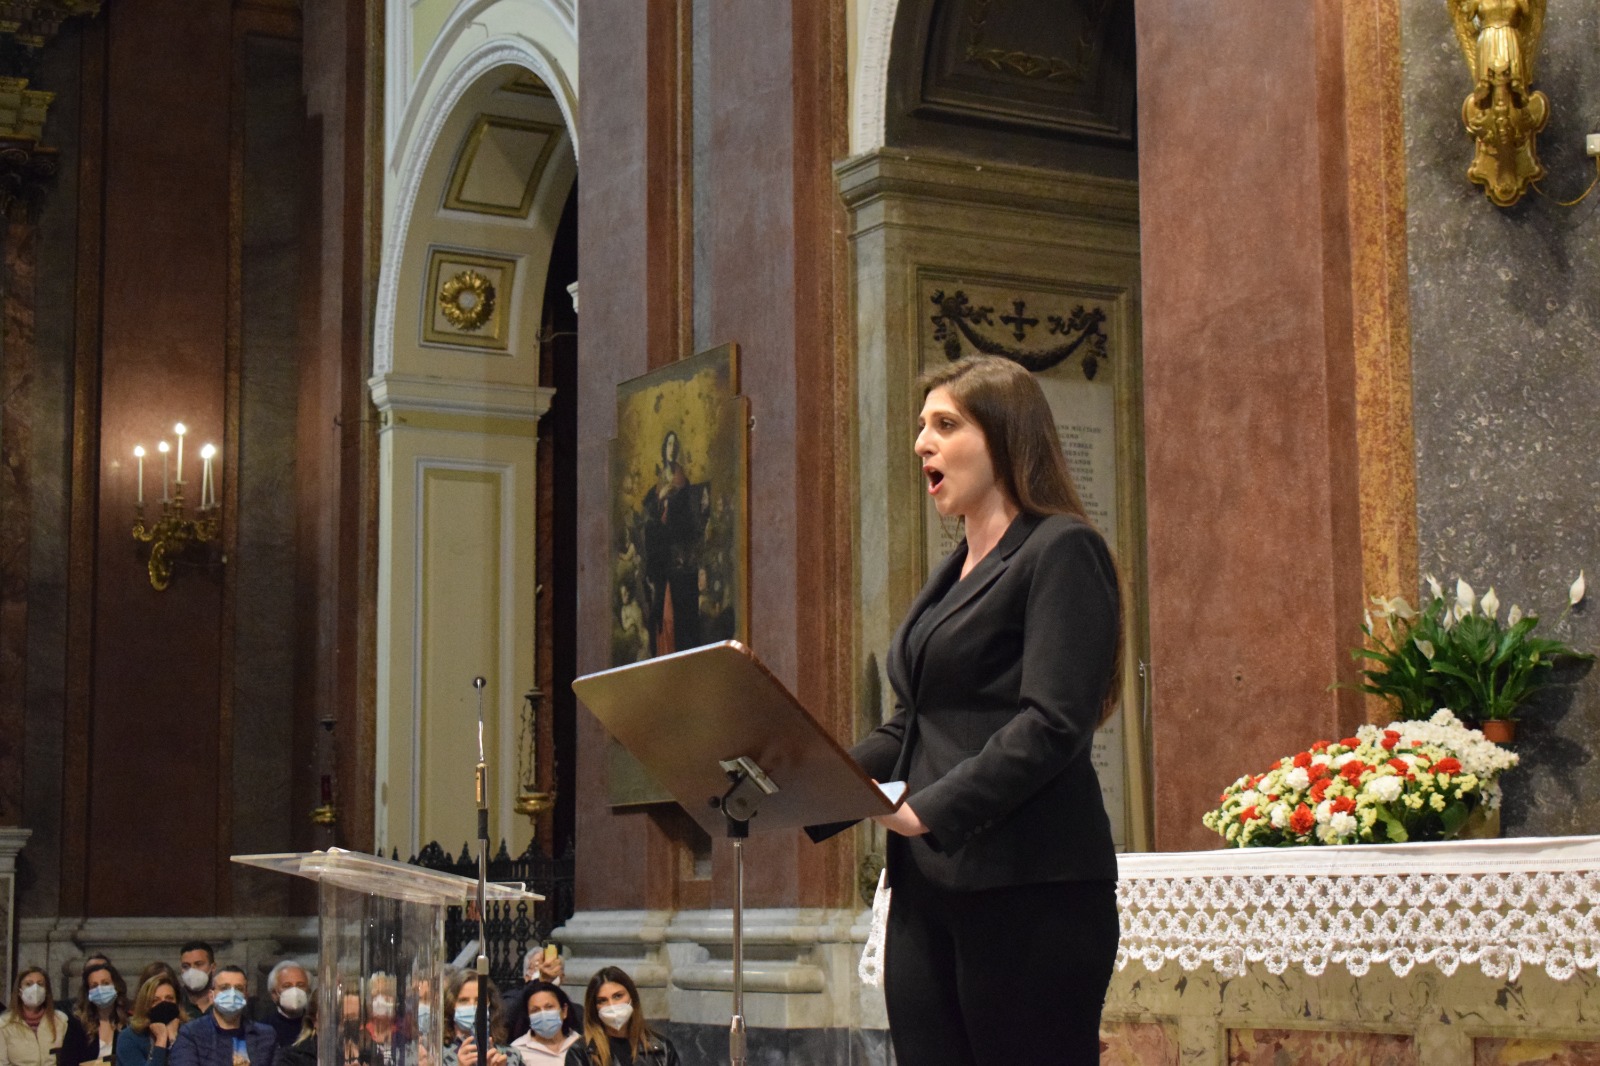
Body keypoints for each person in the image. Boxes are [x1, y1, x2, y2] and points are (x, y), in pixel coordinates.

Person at [813, 355, 1124, 1065]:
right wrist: (801, 779)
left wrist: (931, 809)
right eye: (921, 426)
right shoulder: (951, 571)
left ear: (1007, 437)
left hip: (1030, 887)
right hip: (927, 889)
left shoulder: (1061, 549)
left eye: (945, 424)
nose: (922, 442)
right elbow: (912, 724)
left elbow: (1054, 722)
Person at [167, 967, 276, 1066]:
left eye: (239, 988)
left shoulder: (265, 1034)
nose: (232, 994)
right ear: (211, 996)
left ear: (246, 996)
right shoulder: (192, 1033)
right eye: (224, 988)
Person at [571, 969, 674, 1066]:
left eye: (618, 996)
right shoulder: (581, 1052)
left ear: (632, 997)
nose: (611, 1005)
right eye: (602, 1000)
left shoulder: (661, 1048)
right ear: (594, 1007)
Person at [1, 968, 92, 1066]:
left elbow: (72, 1057)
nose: (35, 988)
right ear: (19, 991)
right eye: (28, 984)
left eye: (40, 984)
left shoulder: (61, 1020)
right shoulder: (4, 1024)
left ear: (46, 990)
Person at [440, 972, 519, 1066]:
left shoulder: (510, 1055)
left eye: (480, 1000)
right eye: (463, 1000)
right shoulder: (437, 1055)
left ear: (490, 1004)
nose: (473, 1006)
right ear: (450, 1006)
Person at [116, 975, 183, 1066]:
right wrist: (161, 1040)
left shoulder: (189, 1031)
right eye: (155, 1000)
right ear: (145, 1005)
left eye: (169, 998)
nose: (164, 1004)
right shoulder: (129, 1037)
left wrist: (173, 1039)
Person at [507, 983, 579, 1065]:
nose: (543, 1014)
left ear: (564, 1011)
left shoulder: (581, 1044)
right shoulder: (517, 1051)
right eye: (535, 1010)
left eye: (549, 1007)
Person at [74, 962, 130, 1062]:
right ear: (88, 992)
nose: (100, 989)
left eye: (105, 983)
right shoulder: (78, 1024)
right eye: (94, 986)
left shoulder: (130, 1022)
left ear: (116, 986)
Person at [253, 964, 309, 1051]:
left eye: (300, 985)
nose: (295, 991)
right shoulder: (264, 1028)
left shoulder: (315, 1024)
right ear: (274, 994)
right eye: (287, 986)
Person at [176, 944, 216, 1021]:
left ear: (213, 967)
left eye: (199, 964)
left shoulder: (223, 1001)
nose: (192, 970)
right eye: (186, 966)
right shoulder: (176, 1002)